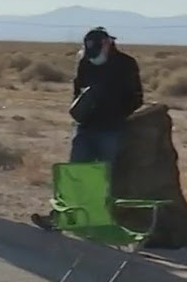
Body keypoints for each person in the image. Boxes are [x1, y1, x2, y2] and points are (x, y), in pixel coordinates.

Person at [30, 26, 143, 232]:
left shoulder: (126, 64)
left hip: (111, 129)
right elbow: (77, 89)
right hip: (85, 127)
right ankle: (63, 218)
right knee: (75, 173)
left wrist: (116, 112)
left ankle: (100, 221)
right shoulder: (85, 63)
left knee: (105, 177)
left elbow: (136, 97)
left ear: (108, 44)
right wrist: (81, 107)